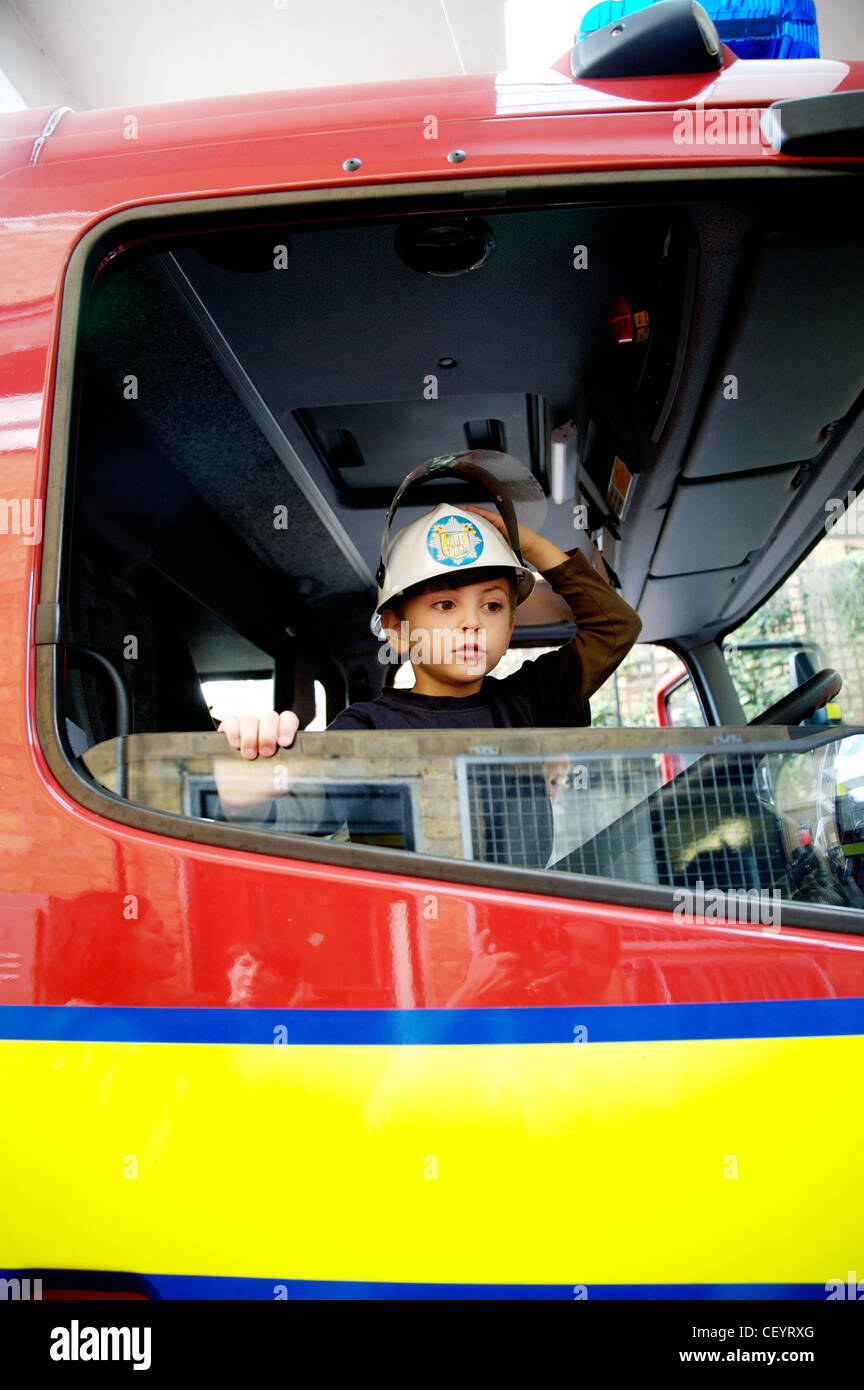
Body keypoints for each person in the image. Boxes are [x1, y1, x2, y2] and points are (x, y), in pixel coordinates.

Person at [215, 456, 641, 820]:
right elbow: (309, 814)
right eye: (445, 605)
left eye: (492, 606)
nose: (472, 623)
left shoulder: (532, 698)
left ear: (510, 627)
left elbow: (615, 628)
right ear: (397, 631)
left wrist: (526, 544)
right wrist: (250, 792)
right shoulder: (369, 728)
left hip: (518, 913)